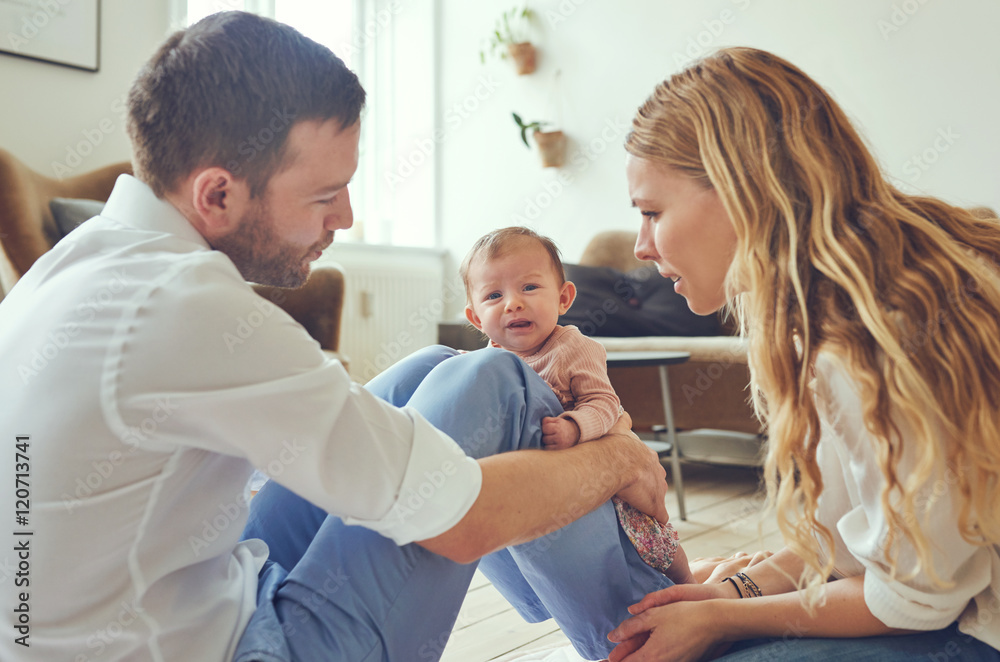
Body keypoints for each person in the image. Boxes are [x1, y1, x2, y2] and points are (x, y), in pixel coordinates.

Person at [0, 12, 671, 662]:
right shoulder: (182, 306)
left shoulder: (80, 262)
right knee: (492, 379)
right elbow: (467, 523)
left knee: (434, 366)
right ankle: (648, 634)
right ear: (217, 196)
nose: (345, 218)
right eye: (326, 195)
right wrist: (624, 457)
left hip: (200, 597)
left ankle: (632, 620)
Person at [606, 46, 1000, 661]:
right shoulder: (831, 303)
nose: (641, 247)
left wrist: (721, 622)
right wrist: (734, 590)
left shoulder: (863, 336)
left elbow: (916, 599)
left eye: (653, 212)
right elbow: (852, 539)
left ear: (743, 188)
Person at [460, 226, 694, 586]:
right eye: (493, 295)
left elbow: (604, 403)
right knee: (595, 564)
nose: (513, 303)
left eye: (529, 287)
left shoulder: (573, 347)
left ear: (564, 298)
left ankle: (688, 583)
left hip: (602, 477)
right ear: (476, 318)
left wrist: (574, 426)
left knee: (654, 540)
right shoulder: (485, 364)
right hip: (544, 487)